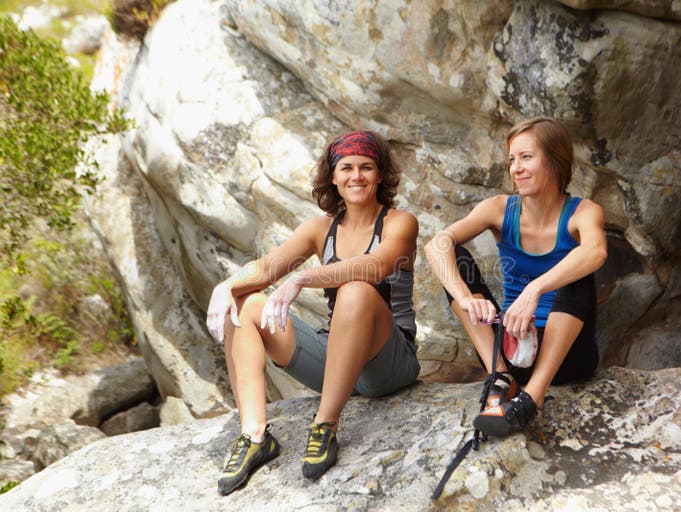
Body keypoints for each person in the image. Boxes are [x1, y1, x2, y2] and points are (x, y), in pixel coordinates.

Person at [206, 130, 420, 494]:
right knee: (244, 304)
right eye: (347, 168)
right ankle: (255, 436)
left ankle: (325, 425)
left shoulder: (400, 222)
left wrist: (303, 278)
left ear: (381, 174)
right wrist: (225, 286)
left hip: (390, 363)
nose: (356, 176)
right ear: (333, 177)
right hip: (338, 361)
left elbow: (376, 265)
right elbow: (266, 267)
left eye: (366, 167)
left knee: (356, 290)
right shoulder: (320, 229)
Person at [424, 117, 606, 437]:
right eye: (512, 159)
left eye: (526, 157)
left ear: (555, 159)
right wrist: (466, 299)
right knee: (457, 260)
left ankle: (532, 398)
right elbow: (436, 244)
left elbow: (596, 252)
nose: (516, 169)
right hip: (511, 350)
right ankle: (500, 379)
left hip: (567, 359)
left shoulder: (583, 212)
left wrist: (535, 290)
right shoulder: (498, 209)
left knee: (577, 267)